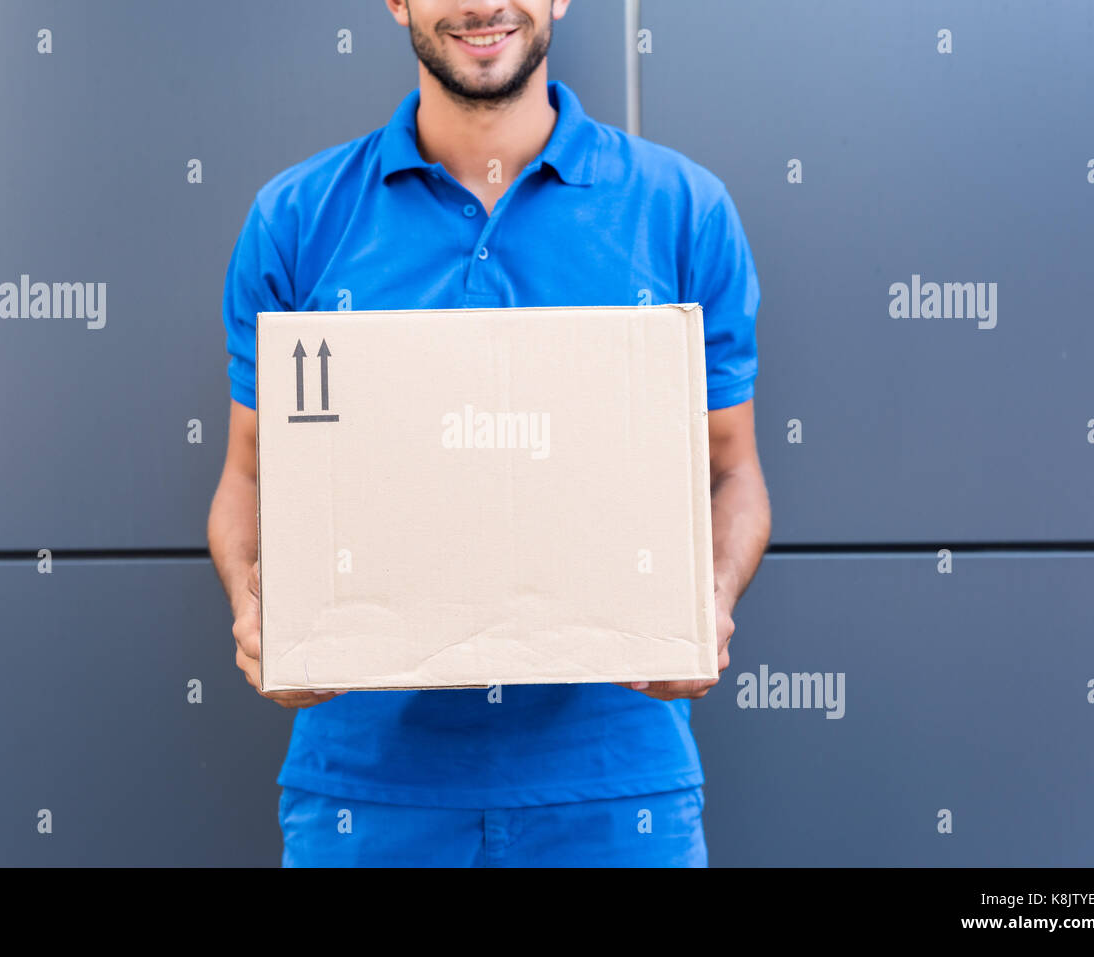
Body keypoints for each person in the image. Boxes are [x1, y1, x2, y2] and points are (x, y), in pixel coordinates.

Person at [207, 0, 771, 867]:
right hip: (367, 793)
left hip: (614, 794)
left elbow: (733, 473)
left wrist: (712, 602)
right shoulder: (297, 218)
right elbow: (248, 477)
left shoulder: (681, 210)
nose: (480, 5)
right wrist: (256, 611)